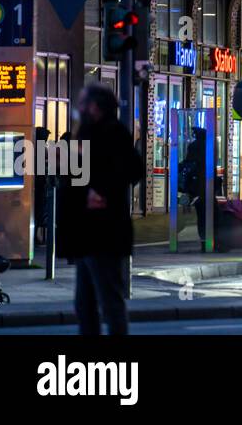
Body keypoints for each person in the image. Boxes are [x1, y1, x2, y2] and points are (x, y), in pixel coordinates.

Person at [56, 84, 143, 336]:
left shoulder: (112, 133)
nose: (79, 108)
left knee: (108, 299)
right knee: (85, 303)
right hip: (87, 231)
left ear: (95, 106)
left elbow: (132, 169)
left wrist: (101, 191)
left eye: (83, 102)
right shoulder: (87, 135)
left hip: (103, 232)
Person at [180, 126, 208, 250]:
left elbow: (188, 161)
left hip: (197, 184)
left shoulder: (194, 146)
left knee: (201, 214)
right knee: (206, 213)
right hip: (208, 184)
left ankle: (204, 240)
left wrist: (179, 167)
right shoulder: (210, 145)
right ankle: (207, 240)